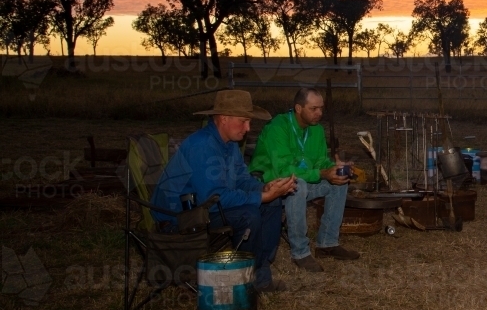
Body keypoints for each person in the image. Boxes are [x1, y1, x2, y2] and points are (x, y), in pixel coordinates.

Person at [152, 90, 297, 293]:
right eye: (244, 121)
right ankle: (245, 282)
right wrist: (260, 196)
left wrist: (264, 188)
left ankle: (260, 275)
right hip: (181, 218)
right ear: (224, 119)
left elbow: (242, 179)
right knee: (250, 215)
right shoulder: (203, 145)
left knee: (272, 203)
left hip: (203, 209)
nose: (248, 128)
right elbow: (214, 197)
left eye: (249, 122)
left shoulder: (229, 145)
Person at [249, 87, 359, 272]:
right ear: (298, 108)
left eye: (321, 108)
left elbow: (320, 161)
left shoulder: (316, 130)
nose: (319, 113)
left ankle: (327, 243)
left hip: (302, 179)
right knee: (297, 185)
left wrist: (334, 167)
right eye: (314, 109)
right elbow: (283, 171)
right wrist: (321, 174)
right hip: (269, 184)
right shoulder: (278, 127)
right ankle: (300, 252)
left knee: (339, 183)